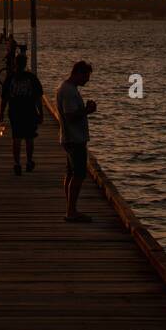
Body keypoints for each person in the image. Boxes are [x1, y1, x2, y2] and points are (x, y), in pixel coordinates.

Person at [56, 60, 96, 222]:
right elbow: (70, 116)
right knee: (78, 174)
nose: (87, 80)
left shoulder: (66, 89)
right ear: (78, 73)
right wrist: (87, 110)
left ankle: (70, 208)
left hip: (69, 137)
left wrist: (84, 109)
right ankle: (71, 211)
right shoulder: (69, 91)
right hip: (74, 139)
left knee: (71, 173)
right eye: (86, 76)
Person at [0, 49, 43, 175]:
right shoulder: (32, 78)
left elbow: (4, 98)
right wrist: (41, 113)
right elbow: (38, 98)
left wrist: (1, 114)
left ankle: (17, 163)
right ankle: (29, 161)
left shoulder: (10, 78)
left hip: (14, 111)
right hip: (29, 111)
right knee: (29, 138)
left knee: (16, 138)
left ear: (14, 63)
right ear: (25, 63)